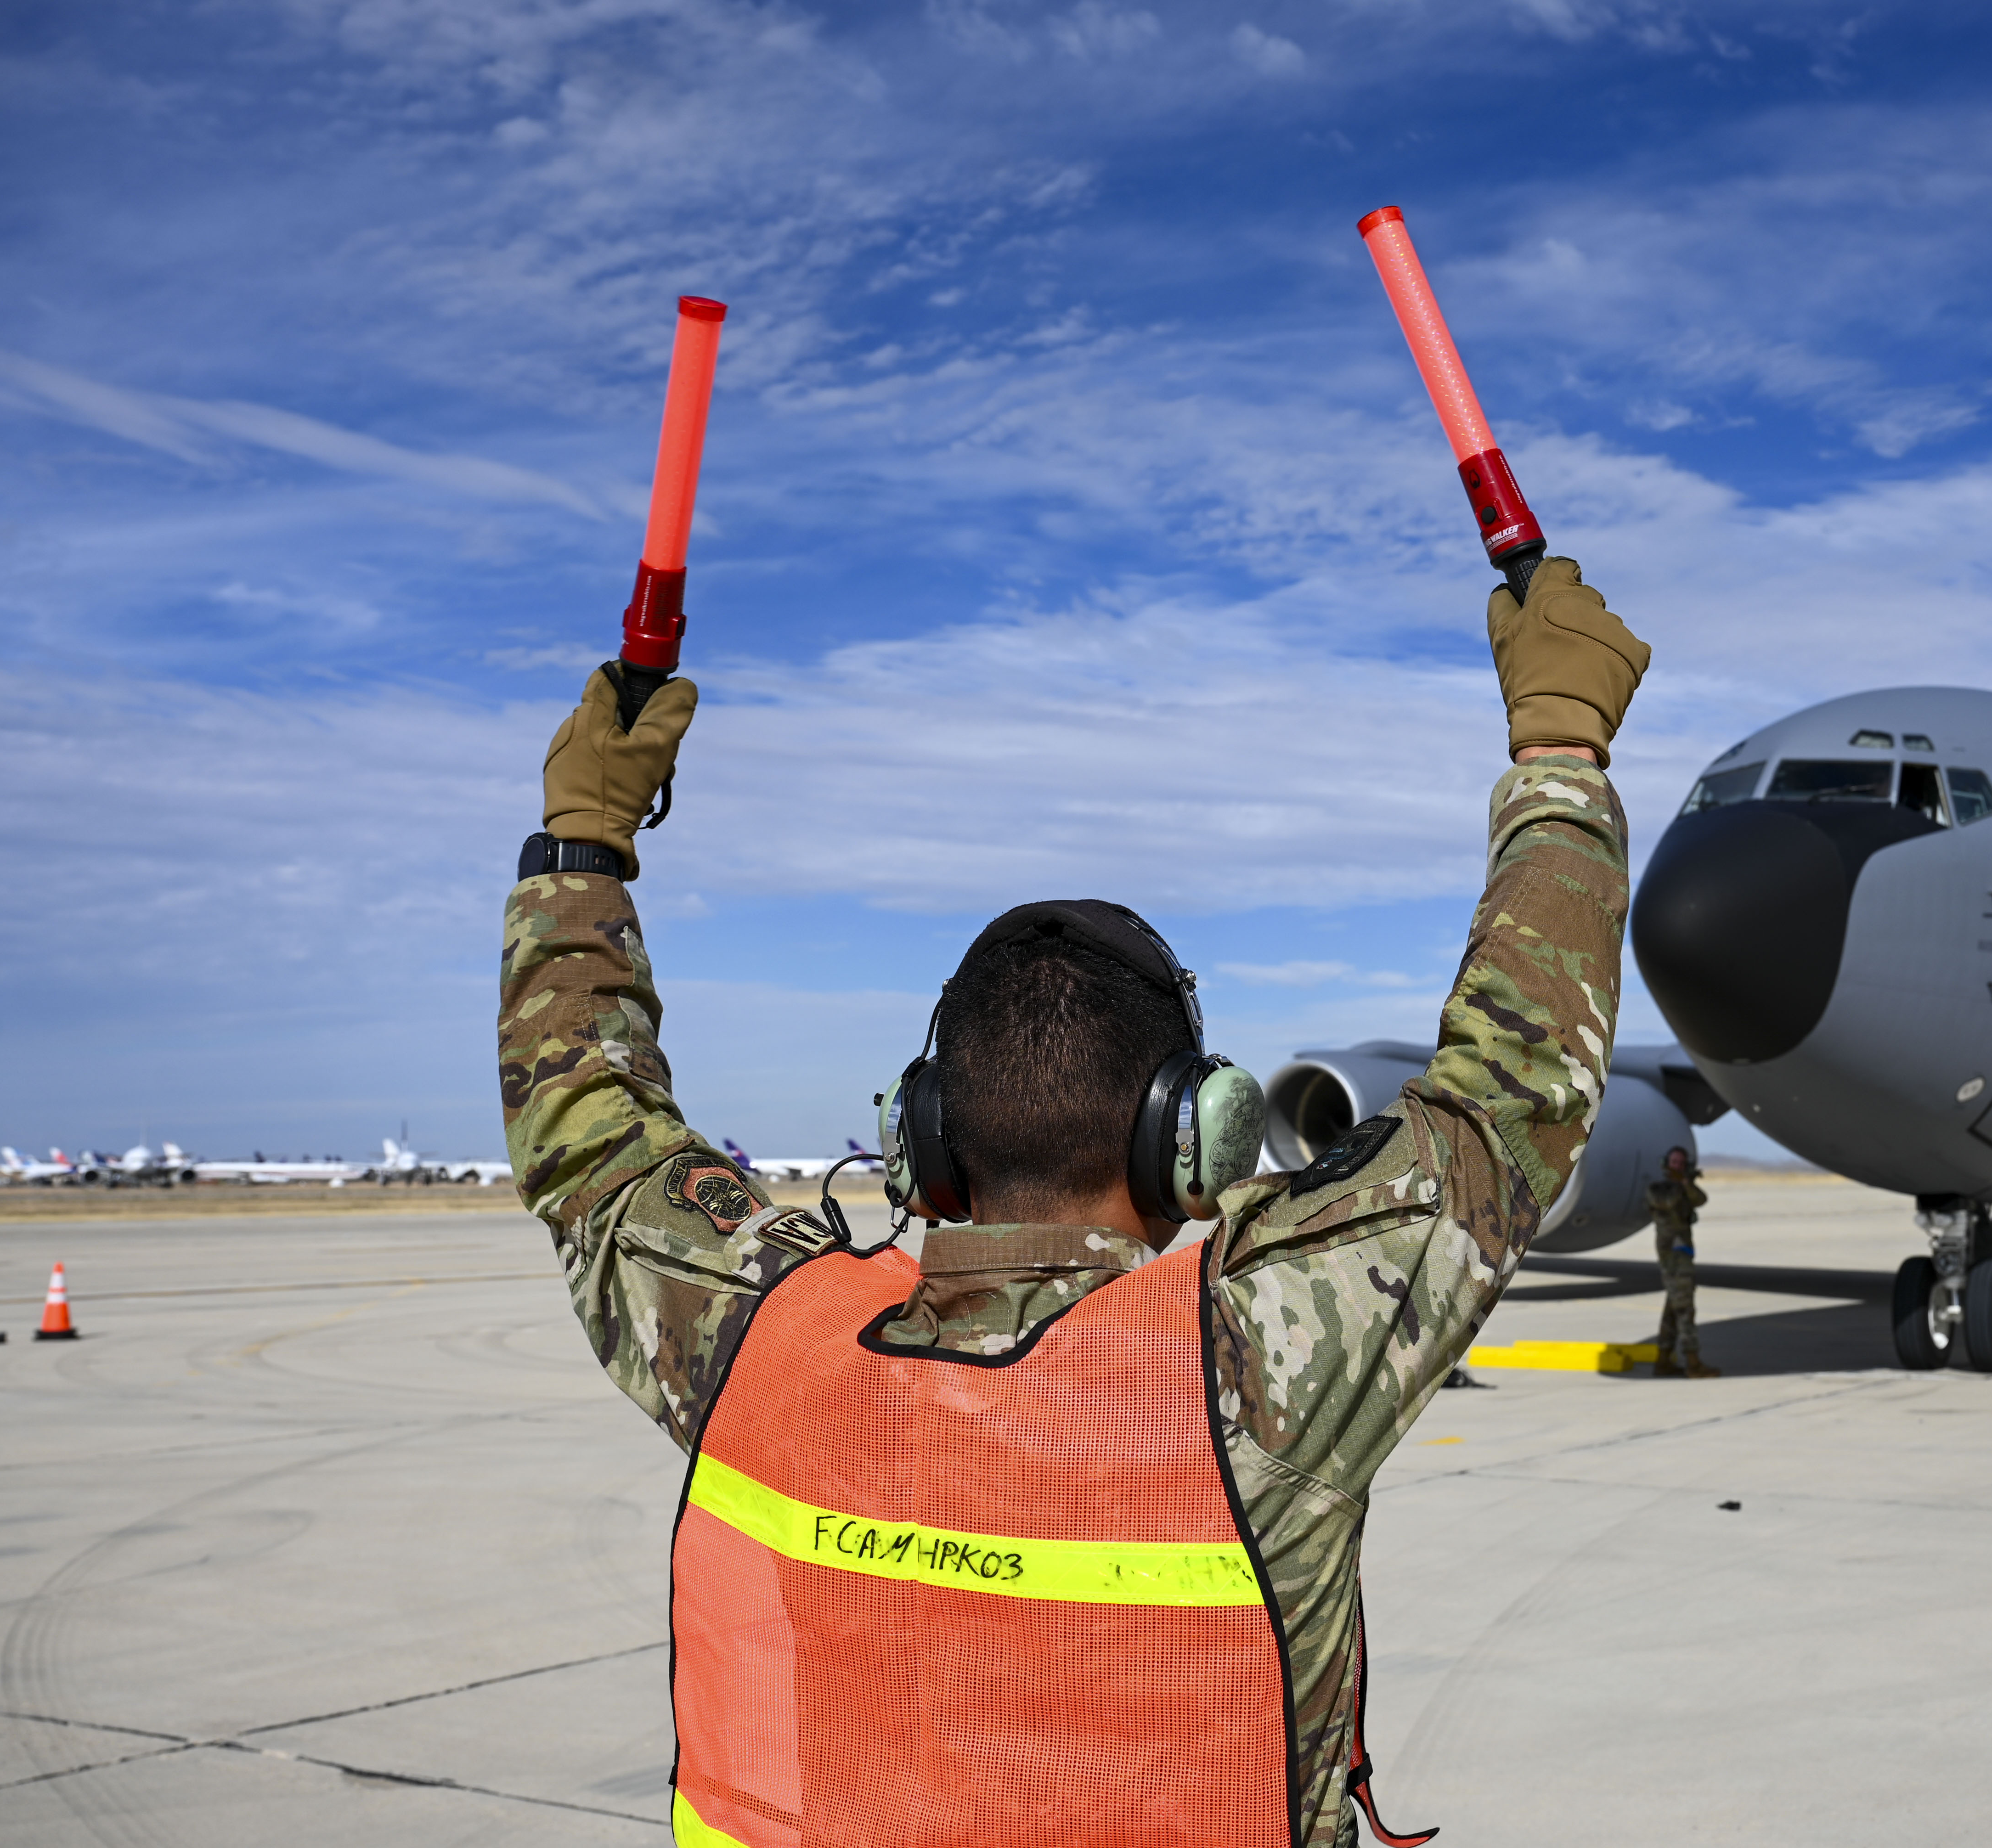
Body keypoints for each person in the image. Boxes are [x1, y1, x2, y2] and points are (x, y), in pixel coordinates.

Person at [499, 558, 1648, 1848]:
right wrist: (1561, 753)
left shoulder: (765, 1348)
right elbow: (1508, 1099)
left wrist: (579, 841)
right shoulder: (1253, 1369)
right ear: (1192, 1142)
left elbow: (590, 1140)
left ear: (924, 1136)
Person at [1647, 1145, 1715, 1378]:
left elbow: (1701, 1199)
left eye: (1681, 1163)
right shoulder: (1658, 1189)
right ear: (1667, 1164)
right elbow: (1667, 1202)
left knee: (1673, 1310)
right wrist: (1681, 1183)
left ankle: (1663, 1361)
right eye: (1674, 1162)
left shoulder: (1685, 1188)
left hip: (1684, 1253)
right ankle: (1694, 1364)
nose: (1677, 1166)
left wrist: (1688, 1183)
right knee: (1685, 1310)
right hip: (1672, 1257)